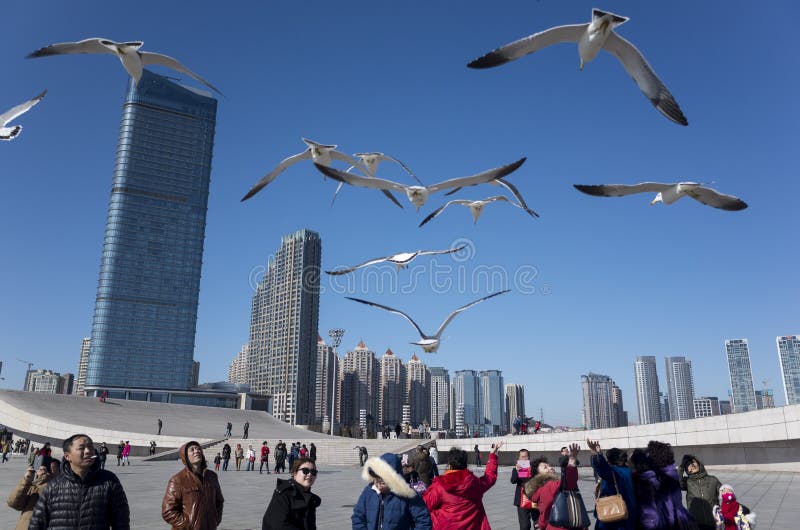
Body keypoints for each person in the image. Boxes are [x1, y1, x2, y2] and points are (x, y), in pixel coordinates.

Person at [28, 433, 130, 529]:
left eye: (90, 447)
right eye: (81, 448)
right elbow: (37, 522)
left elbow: (122, 521)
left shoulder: (109, 481)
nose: (88, 451)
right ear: (67, 456)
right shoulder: (54, 485)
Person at [423, 441, 503, 529]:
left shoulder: (439, 485)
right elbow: (490, 477)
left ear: (449, 465)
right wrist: (493, 455)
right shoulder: (474, 483)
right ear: (465, 465)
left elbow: (424, 505)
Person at [352, 452, 432, 530]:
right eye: (376, 478)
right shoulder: (368, 492)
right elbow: (358, 517)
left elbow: (423, 521)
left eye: (383, 480)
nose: (378, 483)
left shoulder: (409, 495)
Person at [162, 441, 224, 530]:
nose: (196, 451)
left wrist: (216, 519)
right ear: (185, 456)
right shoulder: (177, 480)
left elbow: (219, 501)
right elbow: (168, 511)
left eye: (198, 449)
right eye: (192, 450)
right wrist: (188, 524)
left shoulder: (212, 476)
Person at [587, 439, 636, 530]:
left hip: (615, 517)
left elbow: (602, 469)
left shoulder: (615, 472)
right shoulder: (628, 470)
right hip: (629, 512)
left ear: (611, 460)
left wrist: (594, 453)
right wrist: (599, 453)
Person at [646, 440, 697, 530]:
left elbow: (668, 507)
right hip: (680, 517)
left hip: (670, 521)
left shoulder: (663, 476)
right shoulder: (670, 471)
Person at [529, 443, 580, 530]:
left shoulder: (541, 488)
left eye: (549, 466)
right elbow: (569, 482)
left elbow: (544, 513)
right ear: (538, 475)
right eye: (545, 468)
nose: (550, 468)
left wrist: (541, 525)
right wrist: (571, 460)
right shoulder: (549, 485)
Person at [263, 457, 321, 529]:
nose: (310, 474)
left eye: (313, 472)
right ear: (295, 473)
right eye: (305, 471)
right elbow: (279, 525)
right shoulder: (283, 493)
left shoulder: (310, 498)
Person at [679, 454, 722, 530]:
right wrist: (681, 468)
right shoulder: (687, 482)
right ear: (687, 470)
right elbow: (677, 482)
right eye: (688, 465)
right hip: (696, 524)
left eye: (693, 462)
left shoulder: (713, 480)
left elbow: (725, 493)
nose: (692, 465)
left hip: (713, 522)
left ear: (699, 463)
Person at [7, 462, 53, 530]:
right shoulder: (33, 486)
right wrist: (26, 480)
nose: (40, 470)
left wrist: (45, 478)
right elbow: (14, 504)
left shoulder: (53, 487)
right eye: (39, 468)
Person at [510, 448, 538, 530]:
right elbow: (513, 481)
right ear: (519, 458)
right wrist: (517, 471)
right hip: (522, 500)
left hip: (534, 499)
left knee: (538, 523)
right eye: (522, 457)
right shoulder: (516, 469)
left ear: (529, 457)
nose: (524, 459)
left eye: (526, 457)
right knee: (524, 526)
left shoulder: (535, 468)